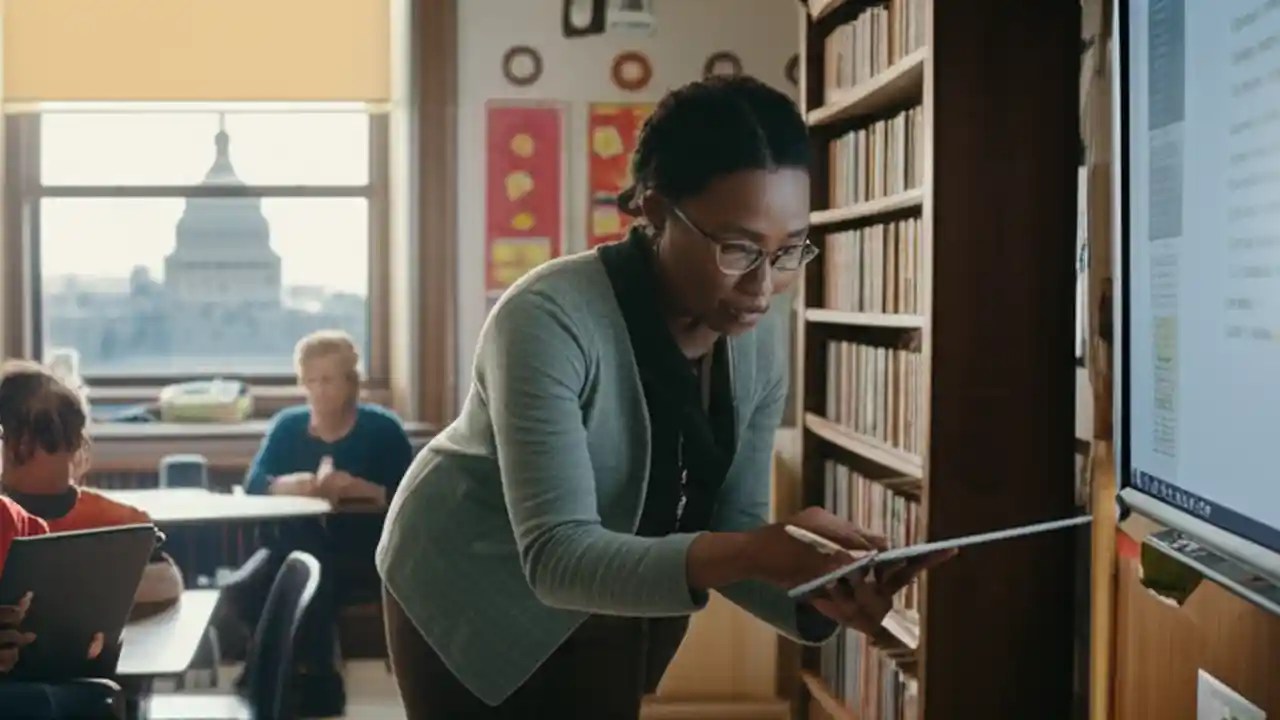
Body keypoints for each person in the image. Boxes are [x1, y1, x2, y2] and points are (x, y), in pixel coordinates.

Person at [376, 75, 956, 719]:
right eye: (738, 248)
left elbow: (731, 526)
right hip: (470, 577)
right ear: (654, 212)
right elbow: (558, 557)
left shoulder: (757, 339)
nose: (764, 285)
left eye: (789, 250)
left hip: (612, 588)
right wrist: (757, 550)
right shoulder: (546, 317)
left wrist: (819, 589)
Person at [220, 330, 413, 717]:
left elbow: (412, 496)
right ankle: (317, 681)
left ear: (350, 382)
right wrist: (289, 485)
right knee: (299, 559)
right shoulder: (288, 426)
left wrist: (365, 490)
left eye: (329, 380)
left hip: (362, 551)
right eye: (311, 380)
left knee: (289, 569)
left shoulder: (382, 429)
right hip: (289, 548)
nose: (320, 390)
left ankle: (279, 680)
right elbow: (255, 483)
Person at [0, 361, 182, 609]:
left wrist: (61, 591)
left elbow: (166, 580)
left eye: (55, 436)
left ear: (76, 445)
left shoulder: (116, 522)